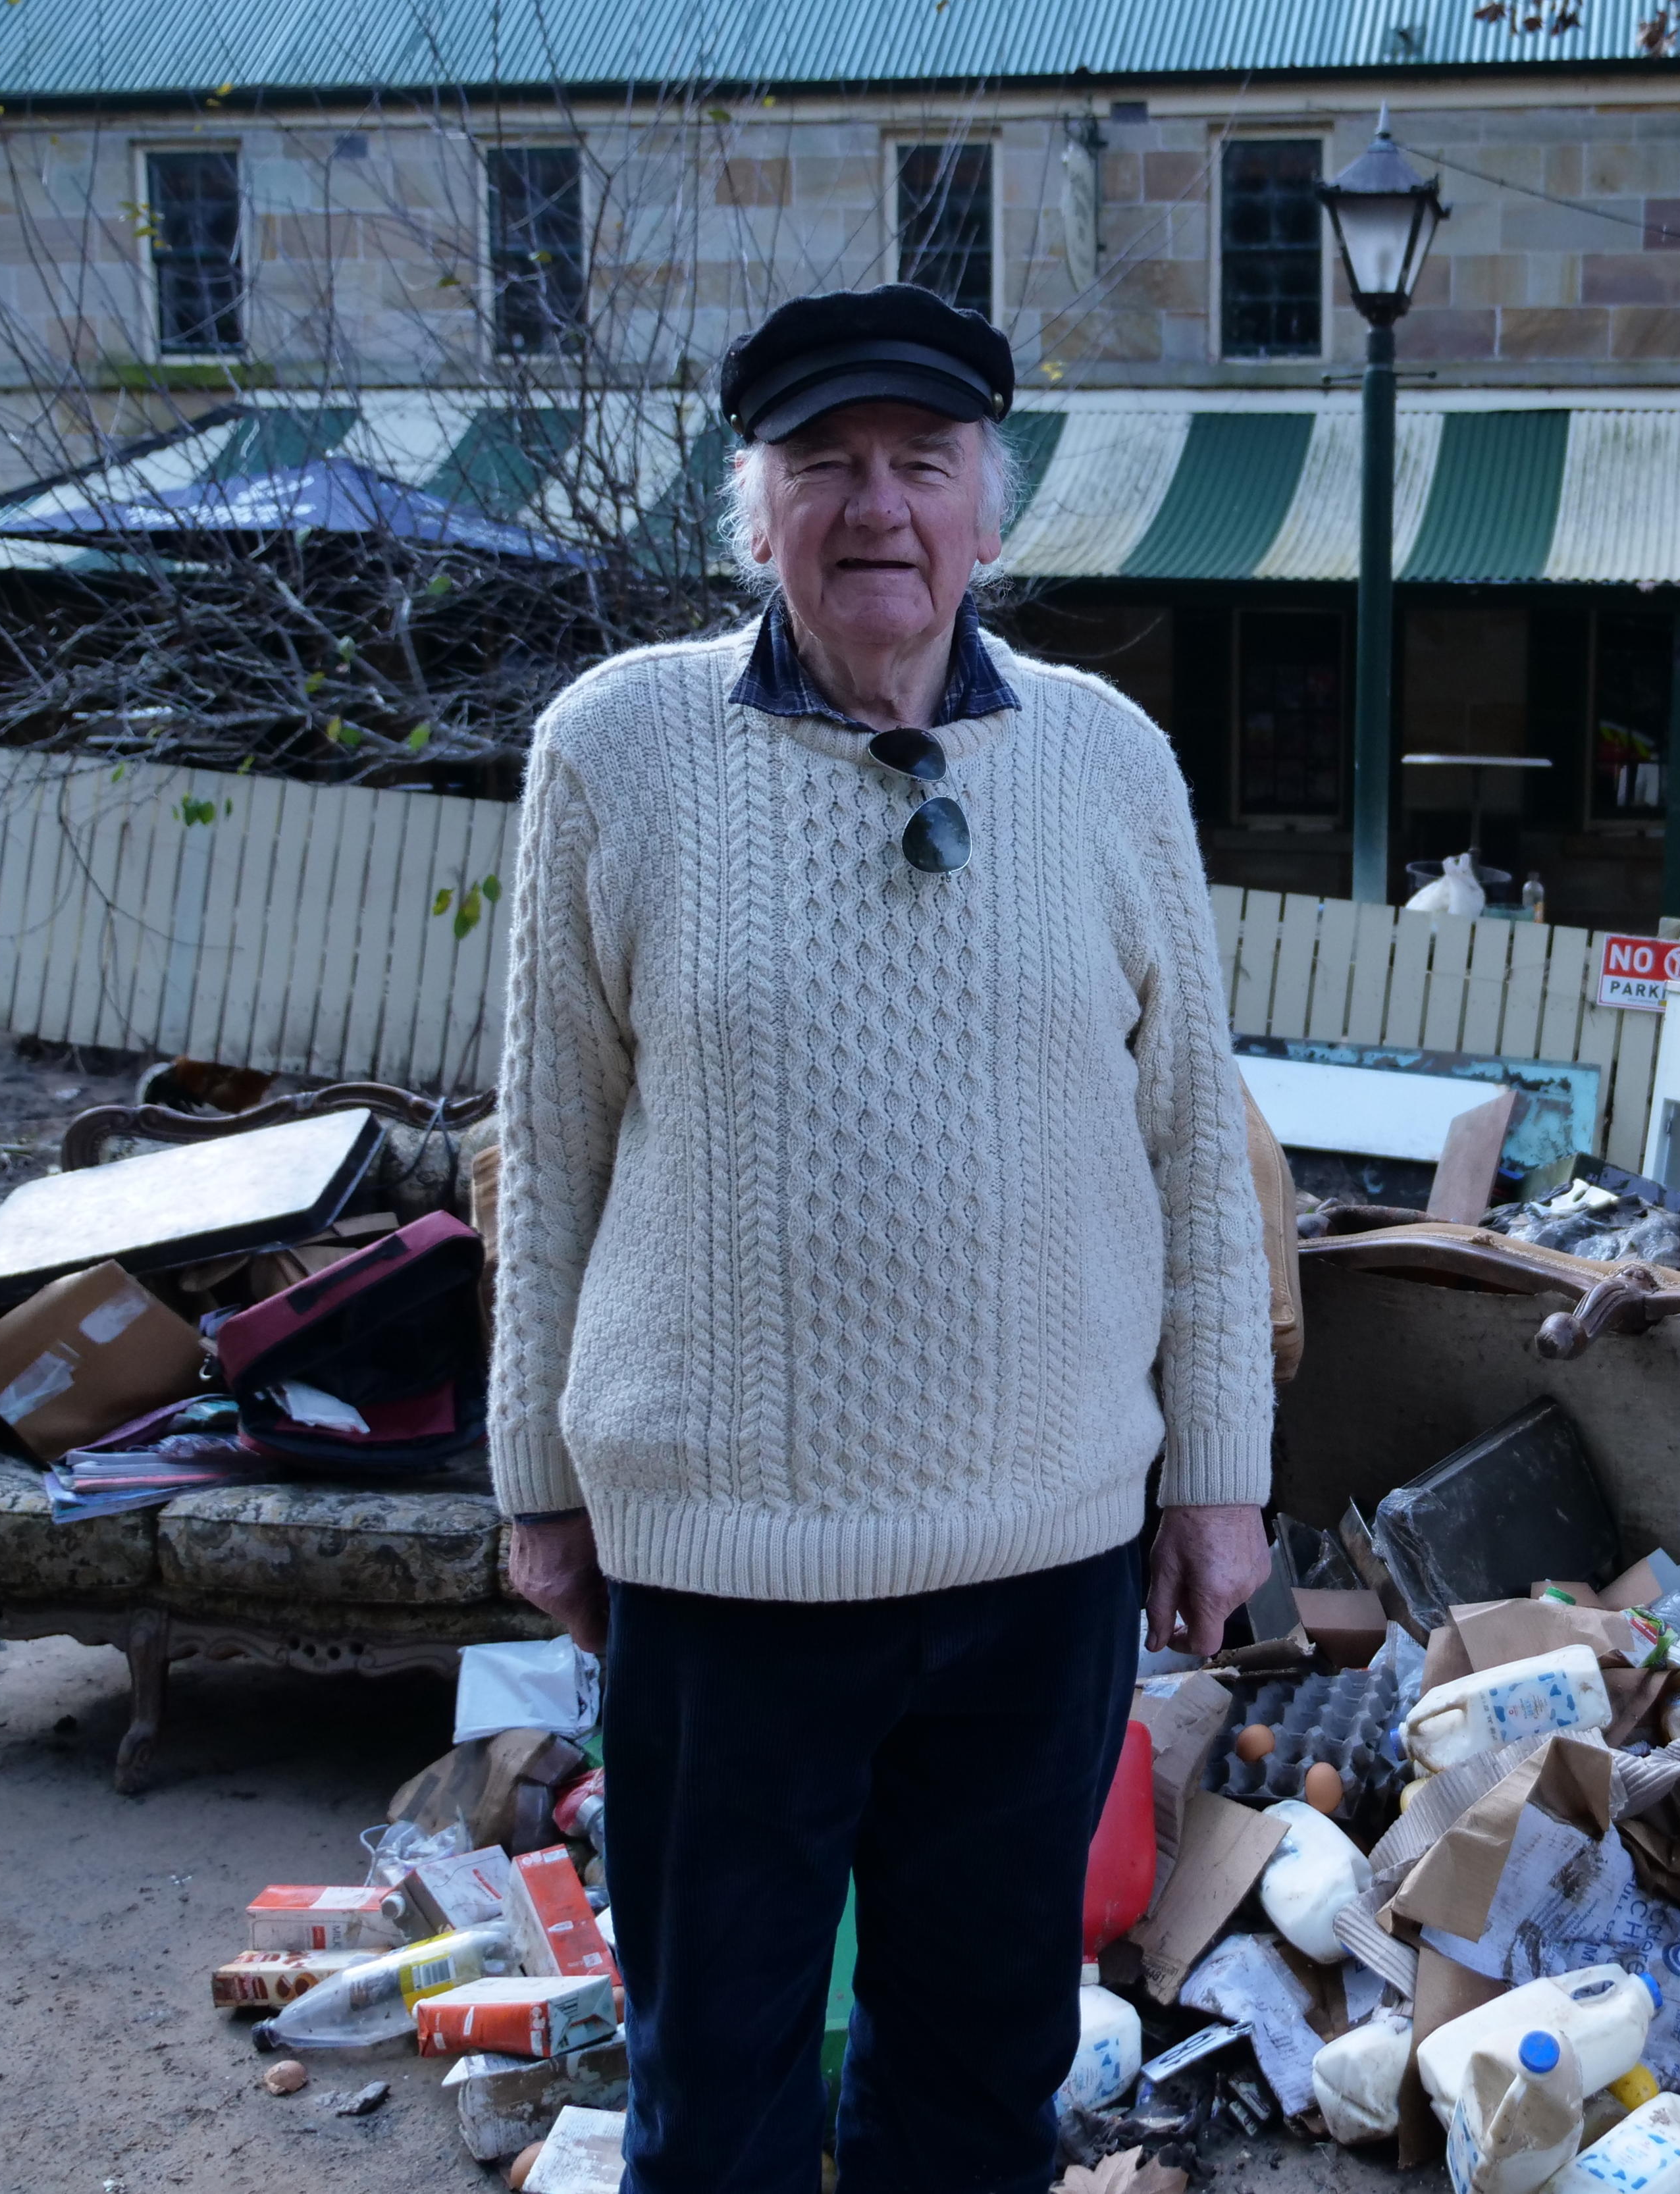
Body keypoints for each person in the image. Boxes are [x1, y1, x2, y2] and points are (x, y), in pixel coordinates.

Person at [490, 285, 1274, 2194]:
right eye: (821, 464)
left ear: (987, 511)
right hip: (725, 1566)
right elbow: (552, 1148)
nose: (874, 508)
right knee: (722, 2090)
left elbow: (1196, 1149)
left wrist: (1222, 1476)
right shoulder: (620, 748)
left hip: (1042, 1557)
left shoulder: (1108, 760)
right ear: (752, 513)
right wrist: (535, 1481)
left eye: (920, 463)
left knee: (977, 2086)